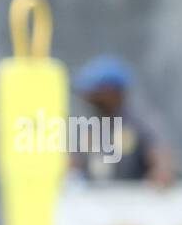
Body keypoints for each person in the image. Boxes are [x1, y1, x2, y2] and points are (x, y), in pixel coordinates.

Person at [70, 55, 175, 186]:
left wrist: (160, 175)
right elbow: (73, 164)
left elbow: (161, 161)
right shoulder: (88, 126)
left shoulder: (141, 123)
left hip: (134, 203)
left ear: (114, 92)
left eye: (96, 92)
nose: (88, 98)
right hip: (93, 203)